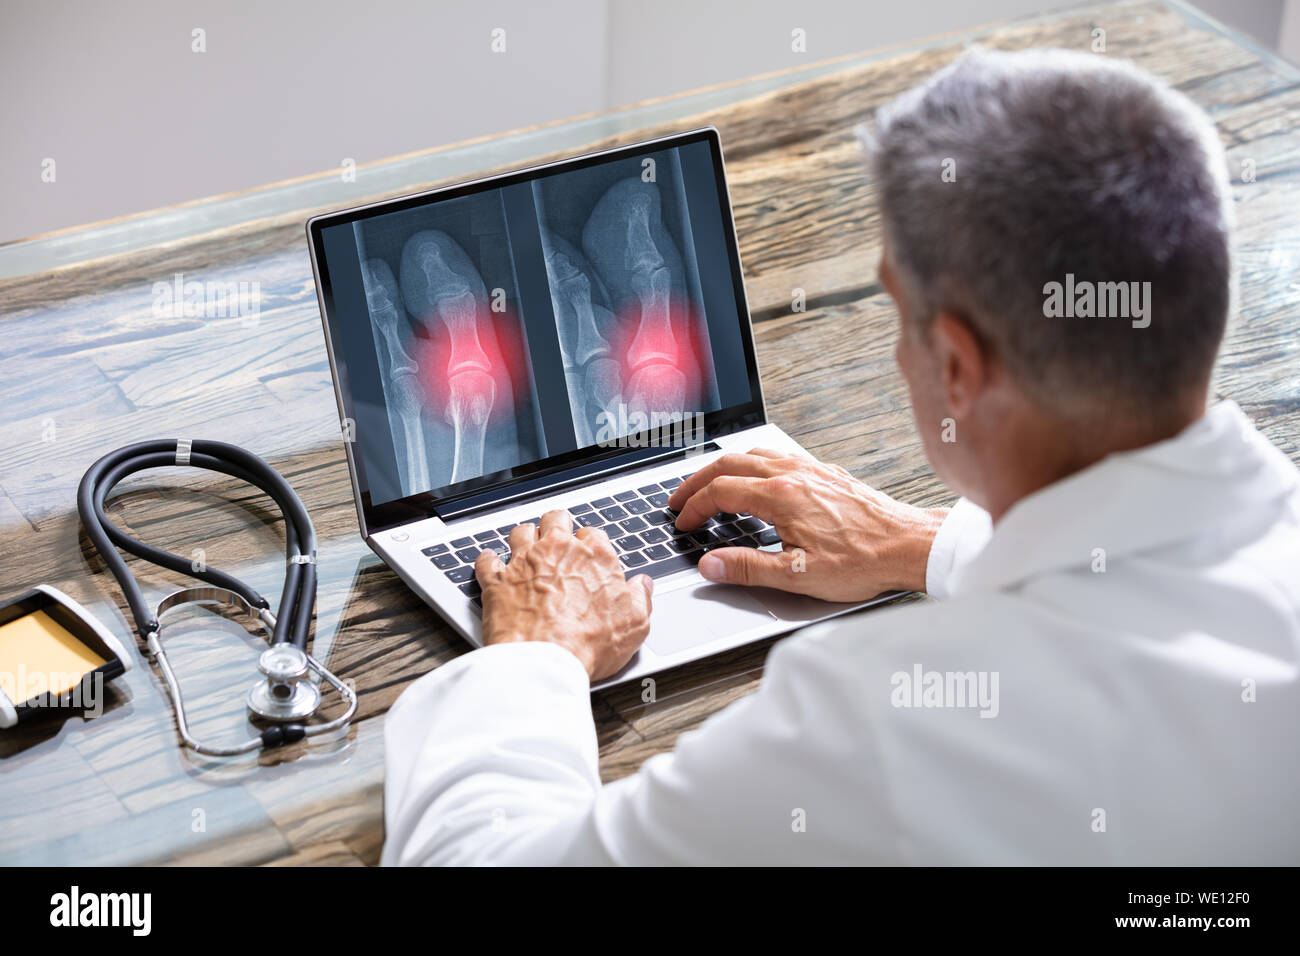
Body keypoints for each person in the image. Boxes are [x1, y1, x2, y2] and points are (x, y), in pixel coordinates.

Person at [381, 48, 1300, 865]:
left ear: (956, 366)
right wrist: (929, 545)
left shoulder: (884, 726)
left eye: (896, 311)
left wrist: (533, 654)